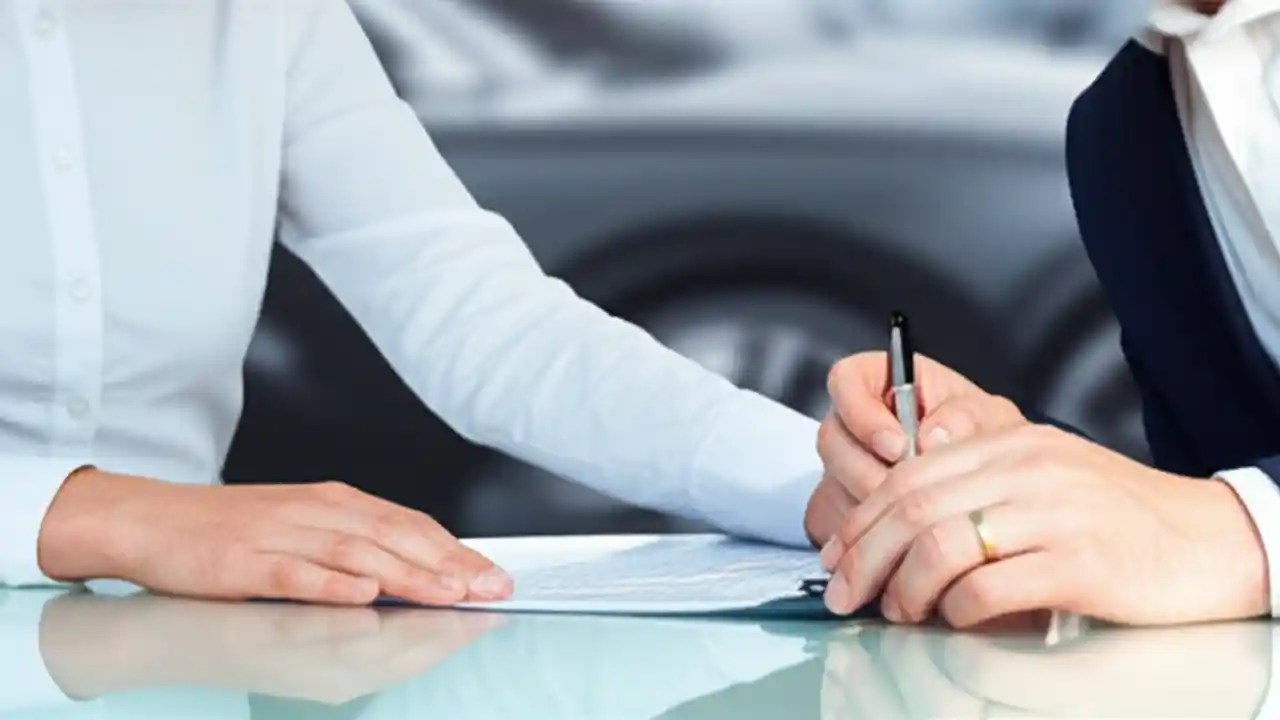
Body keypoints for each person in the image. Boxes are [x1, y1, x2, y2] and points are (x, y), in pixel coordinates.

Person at [0, 0, 839, 605]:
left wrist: (820, 485)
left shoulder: (269, 18)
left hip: (179, 658)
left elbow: (481, 317)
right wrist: (95, 516)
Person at [815, 0, 1280, 627]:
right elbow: (1200, 497)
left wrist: (1249, 535)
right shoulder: (1120, 132)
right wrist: (1007, 462)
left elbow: (1224, 530)